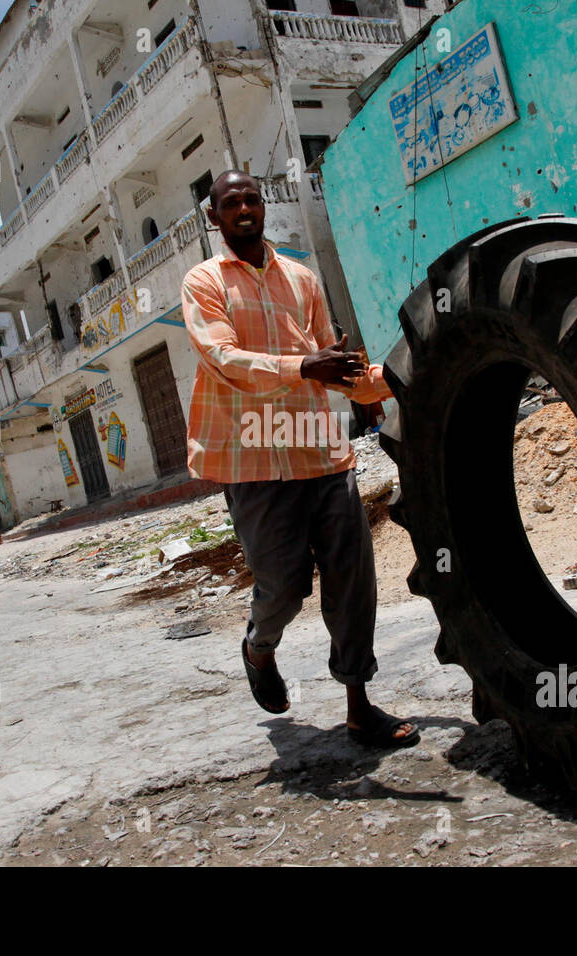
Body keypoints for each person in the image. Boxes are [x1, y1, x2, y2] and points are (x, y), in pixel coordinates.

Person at [180, 170, 418, 747]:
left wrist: (404, 377)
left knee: (352, 582)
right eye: (231, 202)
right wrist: (303, 367)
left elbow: (338, 371)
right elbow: (223, 359)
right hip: (253, 461)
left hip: (323, 454)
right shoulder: (204, 281)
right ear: (213, 217)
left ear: (263, 209)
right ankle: (260, 649)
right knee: (283, 589)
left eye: (252, 199)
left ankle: (359, 704)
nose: (244, 208)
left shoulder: (303, 278)